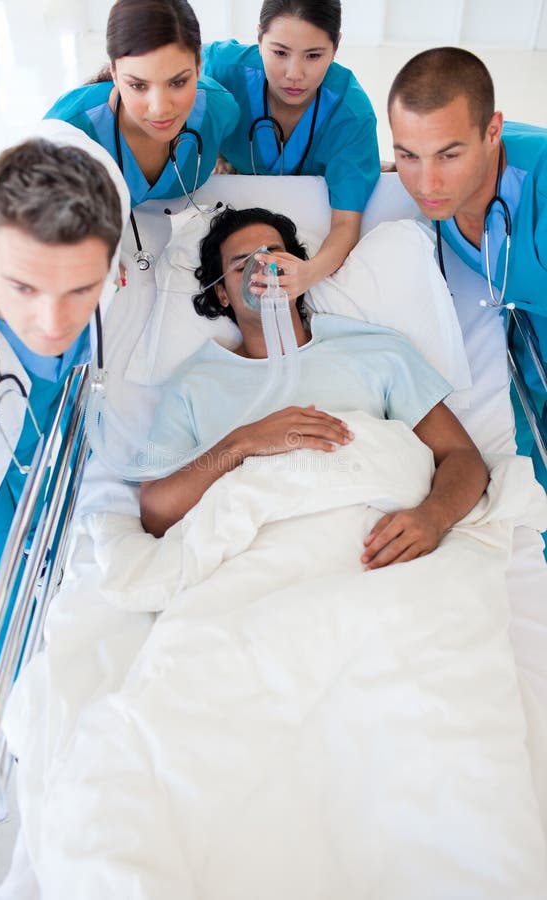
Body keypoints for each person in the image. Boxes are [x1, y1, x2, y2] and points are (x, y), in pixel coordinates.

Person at [140, 206, 489, 567]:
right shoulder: (194, 385)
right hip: (260, 561)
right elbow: (155, 513)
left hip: (375, 547)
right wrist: (244, 443)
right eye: (243, 266)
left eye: (276, 257)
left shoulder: (377, 352)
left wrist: (433, 517)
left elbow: (463, 457)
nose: (264, 271)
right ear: (223, 294)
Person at [0, 126, 129, 725]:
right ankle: (25, 727)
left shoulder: (109, 207)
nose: (52, 323)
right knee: (4, 600)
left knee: (59, 553)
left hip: (52, 411)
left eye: (81, 289)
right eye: (22, 287)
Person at [387, 46, 547, 500]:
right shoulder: (438, 194)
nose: (426, 184)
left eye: (448, 156)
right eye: (408, 156)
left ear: (492, 131)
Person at [202, 0, 381, 297]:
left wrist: (309, 272)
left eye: (313, 55)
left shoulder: (352, 115)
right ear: (259, 38)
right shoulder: (220, 69)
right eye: (280, 53)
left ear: (336, 46)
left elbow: (346, 223)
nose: (294, 74)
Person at [45, 0, 240, 208]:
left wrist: (220, 159)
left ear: (198, 64)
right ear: (114, 73)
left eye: (178, 82)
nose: (160, 109)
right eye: (138, 85)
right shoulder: (67, 132)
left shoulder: (218, 108)